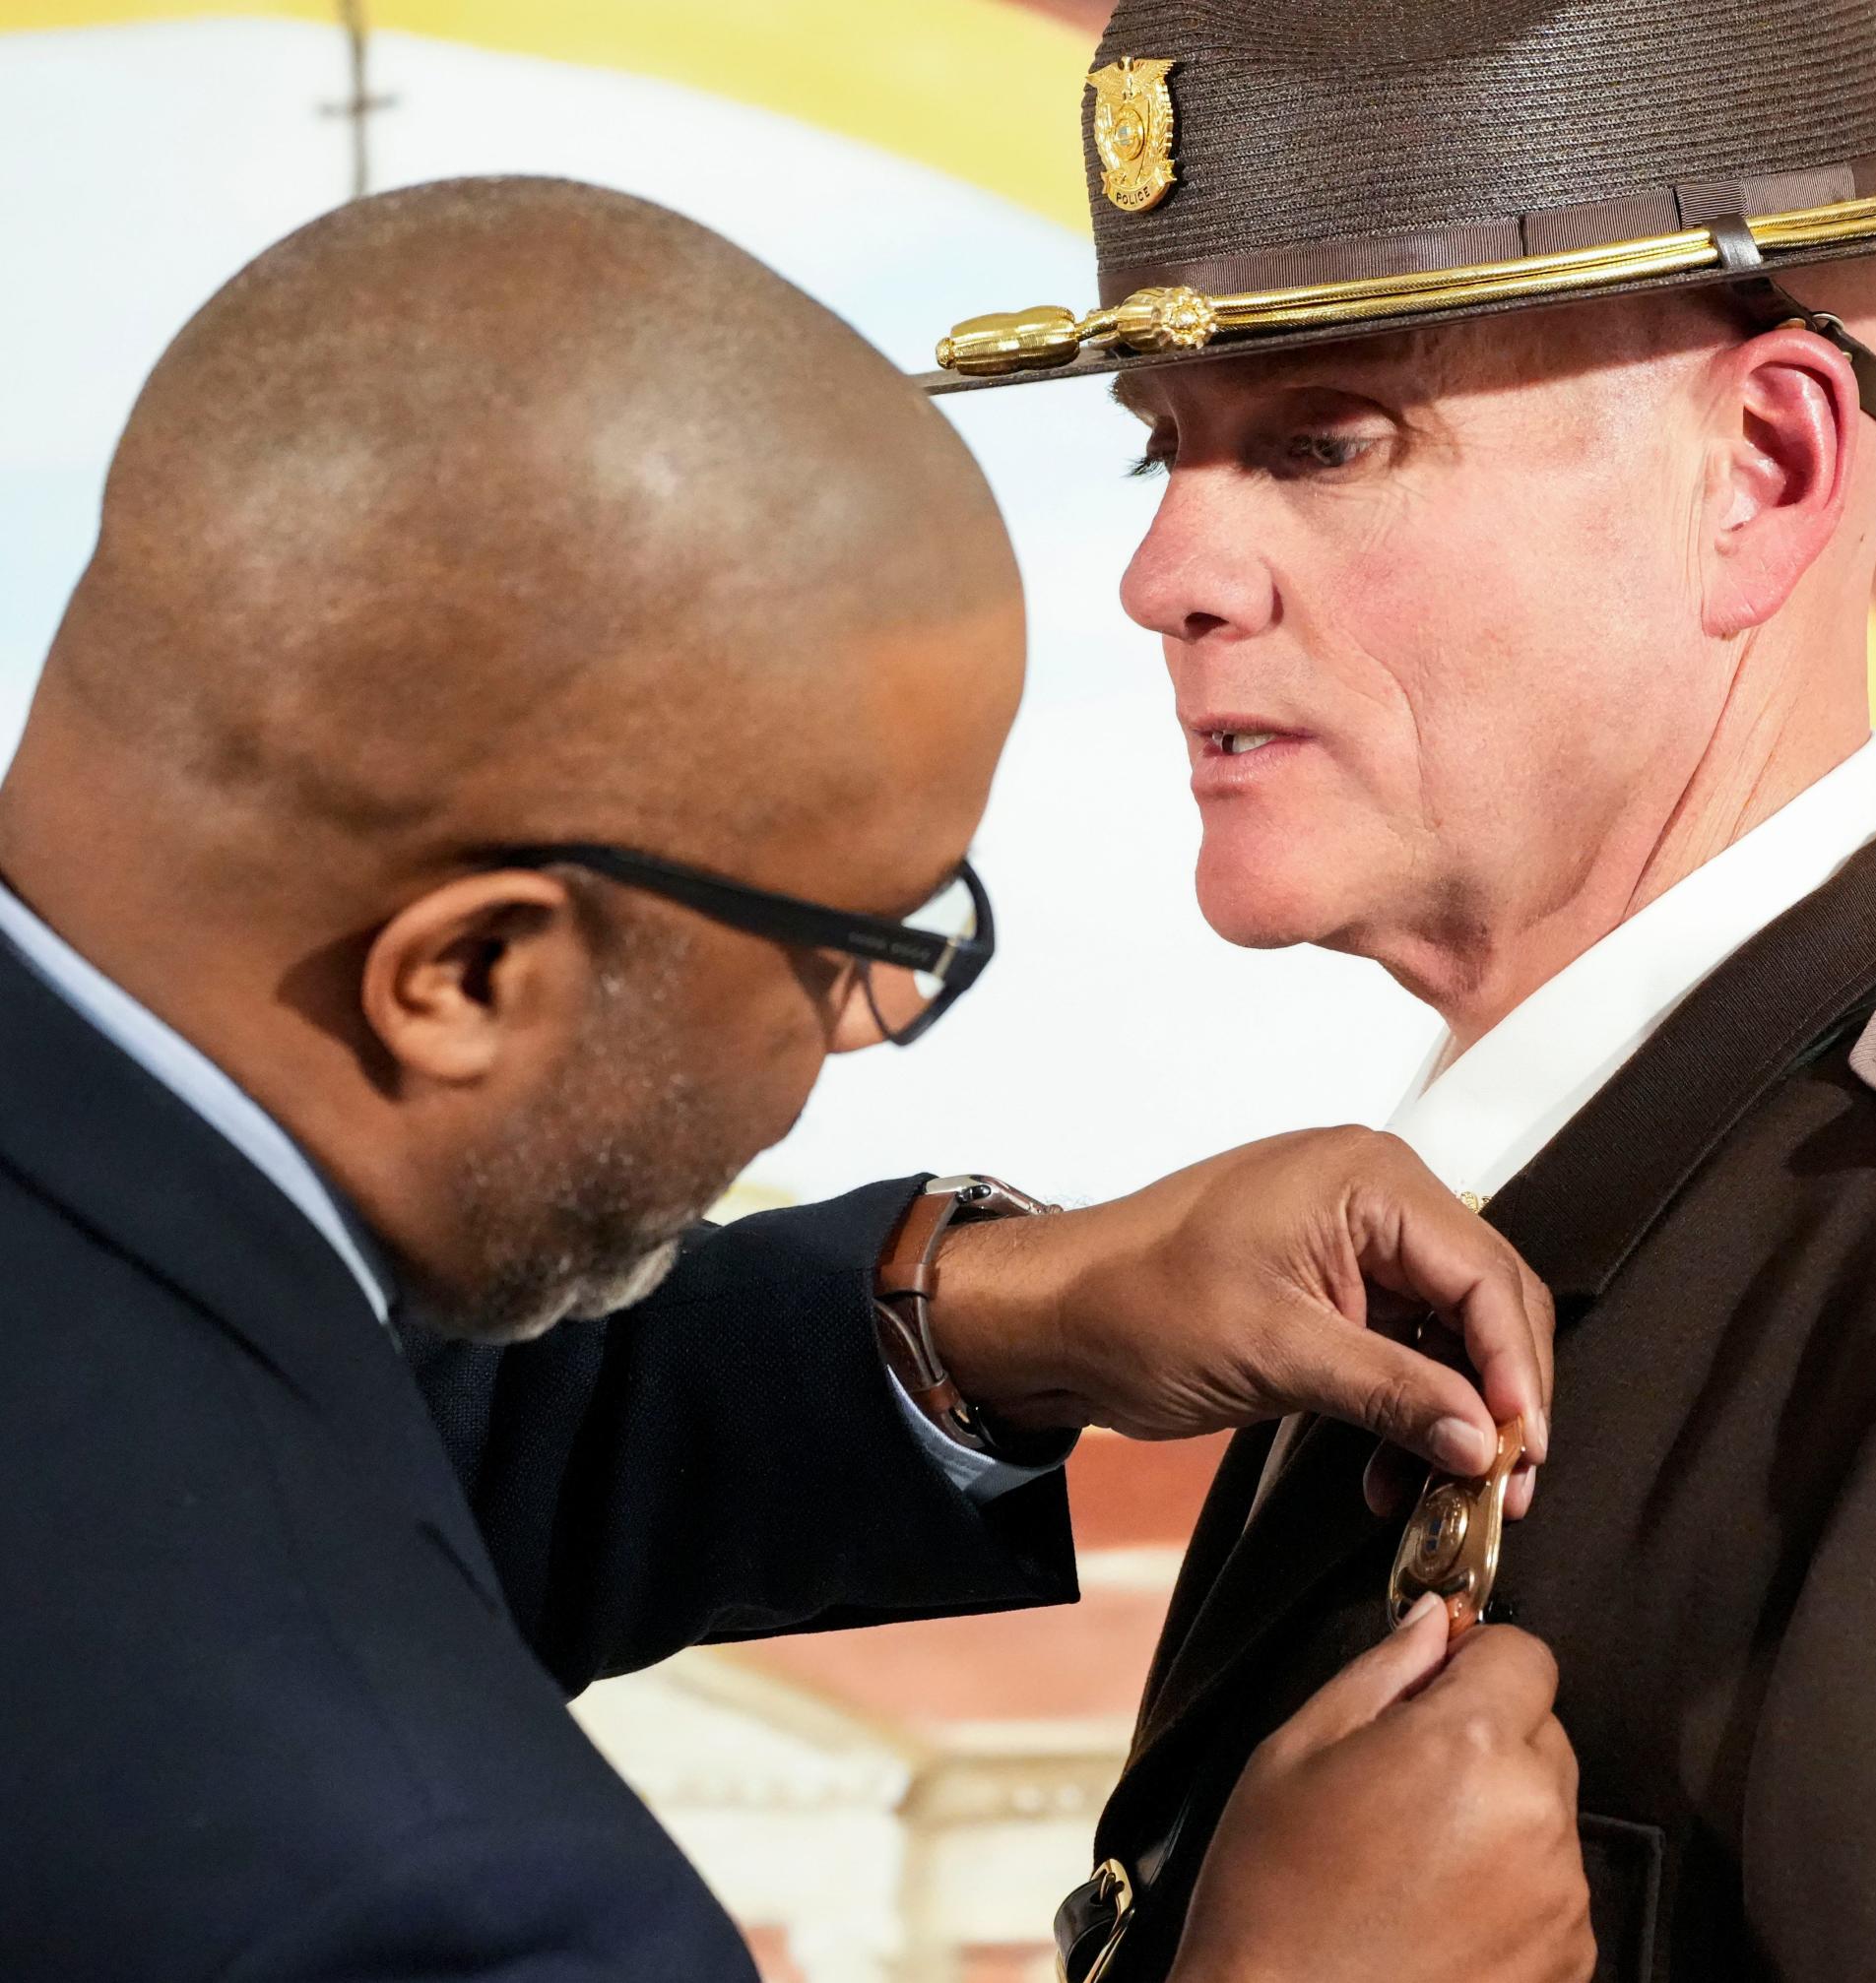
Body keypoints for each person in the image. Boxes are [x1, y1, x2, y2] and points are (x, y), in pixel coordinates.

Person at [0, 177, 1597, 1983]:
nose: (859, 1028)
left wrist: (978, 1313)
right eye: (852, 944)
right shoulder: (429, 1900)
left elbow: (301, 1420)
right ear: (468, 974)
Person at [918, 2, 1876, 1977]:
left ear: (1761, 473)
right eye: (1168, 450)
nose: (1167, 568)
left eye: (1330, 440)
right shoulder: (1507, 1209)